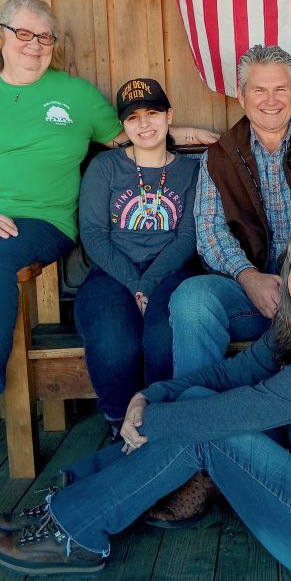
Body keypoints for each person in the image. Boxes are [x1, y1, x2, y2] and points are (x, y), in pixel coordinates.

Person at [0, 0, 216, 501]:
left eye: (44, 37)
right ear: (1, 36)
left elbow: (135, 135)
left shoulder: (75, 96)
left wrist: (193, 134)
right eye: (24, 34)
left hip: (42, 222)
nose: (34, 45)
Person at [0, 212, 291, 581]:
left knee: (211, 428)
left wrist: (148, 418)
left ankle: (75, 527)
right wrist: (150, 394)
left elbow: (249, 410)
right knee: (198, 398)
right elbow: (231, 374)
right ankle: (73, 497)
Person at [147, 45, 291, 525]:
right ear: (241, 95)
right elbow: (211, 233)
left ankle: (269, 453)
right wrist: (249, 277)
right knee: (193, 299)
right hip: (245, 284)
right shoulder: (220, 156)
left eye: (281, 88)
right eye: (259, 89)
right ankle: (196, 454)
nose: (271, 98)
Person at [74, 78, 199, 438]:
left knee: (164, 337)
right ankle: (118, 422)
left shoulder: (191, 171)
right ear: (123, 126)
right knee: (115, 341)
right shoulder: (105, 167)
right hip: (112, 272)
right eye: (133, 118)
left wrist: (148, 284)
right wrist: (133, 283)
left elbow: (188, 235)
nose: (144, 124)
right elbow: (95, 234)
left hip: (172, 271)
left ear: (169, 116)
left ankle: (160, 422)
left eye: (153, 113)